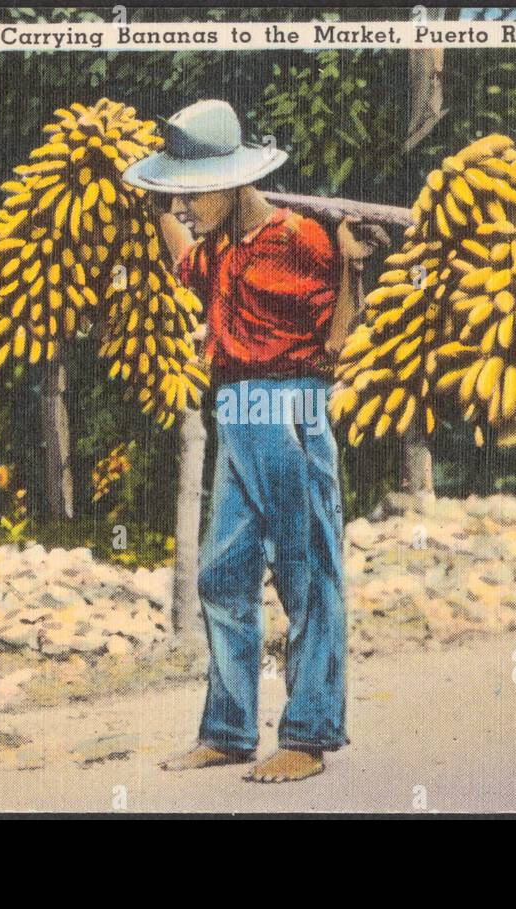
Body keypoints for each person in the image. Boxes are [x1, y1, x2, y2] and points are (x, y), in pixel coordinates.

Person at [123, 99, 383, 782]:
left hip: (288, 403)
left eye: (193, 192)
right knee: (223, 574)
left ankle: (308, 733)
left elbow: (339, 342)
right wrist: (154, 208)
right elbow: (184, 264)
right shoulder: (220, 248)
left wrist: (352, 267)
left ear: (235, 181)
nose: (185, 206)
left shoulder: (303, 238)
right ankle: (230, 727)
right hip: (236, 410)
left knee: (308, 572)